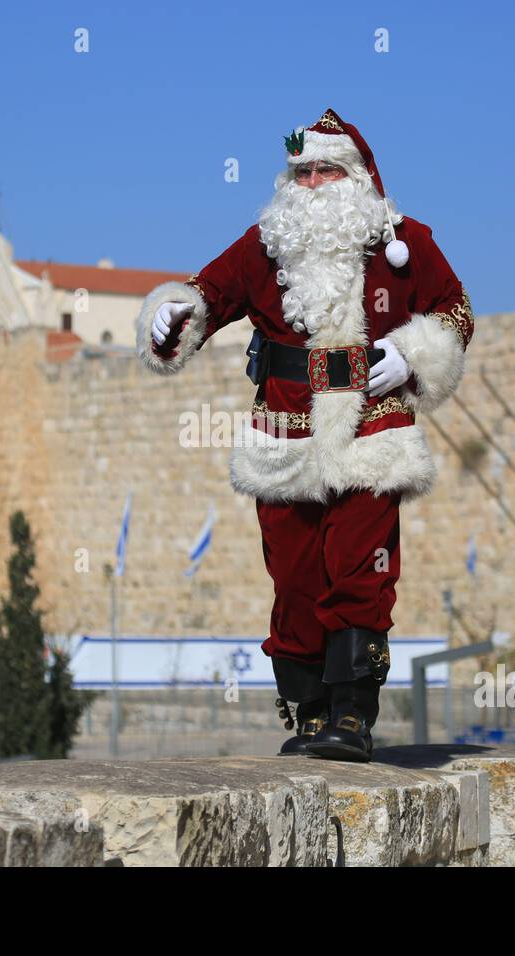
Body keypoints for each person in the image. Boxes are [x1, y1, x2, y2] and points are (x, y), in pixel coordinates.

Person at [136, 109, 473, 761]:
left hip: (371, 430)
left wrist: (413, 354)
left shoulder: (405, 242)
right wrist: (174, 314)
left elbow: (455, 311)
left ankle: (353, 714)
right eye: (303, 172)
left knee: (359, 571)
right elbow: (207, 294)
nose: (313, 183)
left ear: (357, 177)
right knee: (293, 582)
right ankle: (310, 712)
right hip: (284, 436)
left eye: (327, 170)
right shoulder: (263, 244)